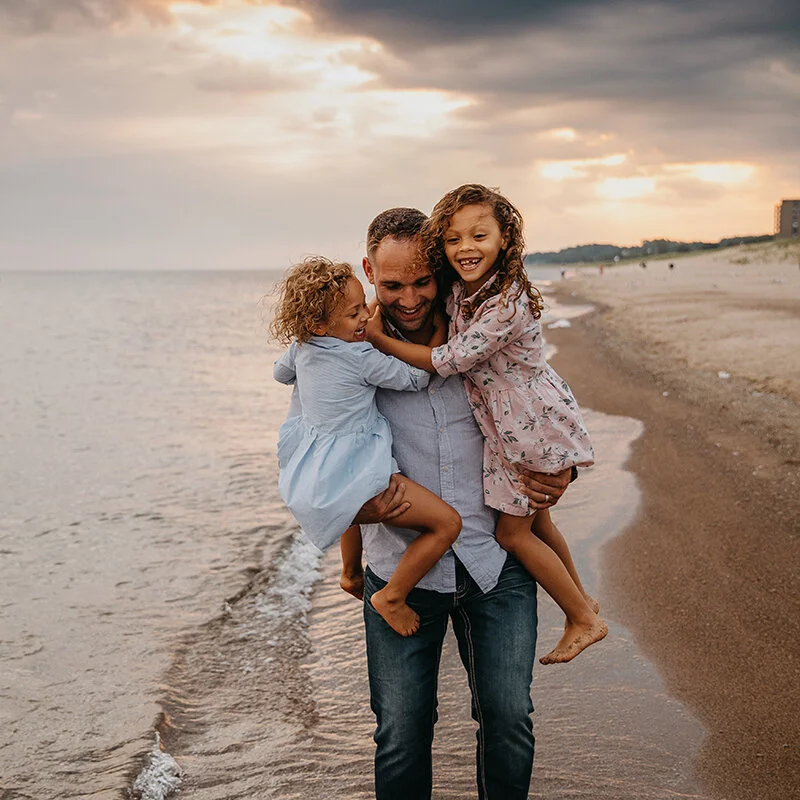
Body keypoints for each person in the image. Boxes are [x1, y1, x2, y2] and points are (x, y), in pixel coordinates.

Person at [351, 207, 573, 800]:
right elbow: (314, 452)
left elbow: (540, 402)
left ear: (440, 269)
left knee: (509, 722)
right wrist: (354, 507)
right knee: (400, 735)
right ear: (368, 271)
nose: (409, 298)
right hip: (400, 571)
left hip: (496, 564)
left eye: (422, 281)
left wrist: (564, 469)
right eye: (392, 284)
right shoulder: (347, 351)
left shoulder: (484, 328)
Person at [367, 185, 606, 665]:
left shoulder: (503, 304)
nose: (466, 248)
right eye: (454, 240)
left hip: (527, 428)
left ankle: (582, 615)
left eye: (479, 236)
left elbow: (450, 359)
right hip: (511, 429)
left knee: (514, 534)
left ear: (505, 238)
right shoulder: (463, 293)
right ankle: (582, 601)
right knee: (538, 522)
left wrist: (379, 340)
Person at [271, 257, 461, 637]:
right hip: (360, 470)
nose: (366, 318)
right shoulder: (362, 358)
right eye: (354, 313)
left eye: (365, 306)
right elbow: (417, 378)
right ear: (319, 323)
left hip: (321, 470)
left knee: (347, 504)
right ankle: (392, 596)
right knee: (447, 524)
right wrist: (438, 334)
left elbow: (280, 374)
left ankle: (350, 572)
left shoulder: (302, 345)